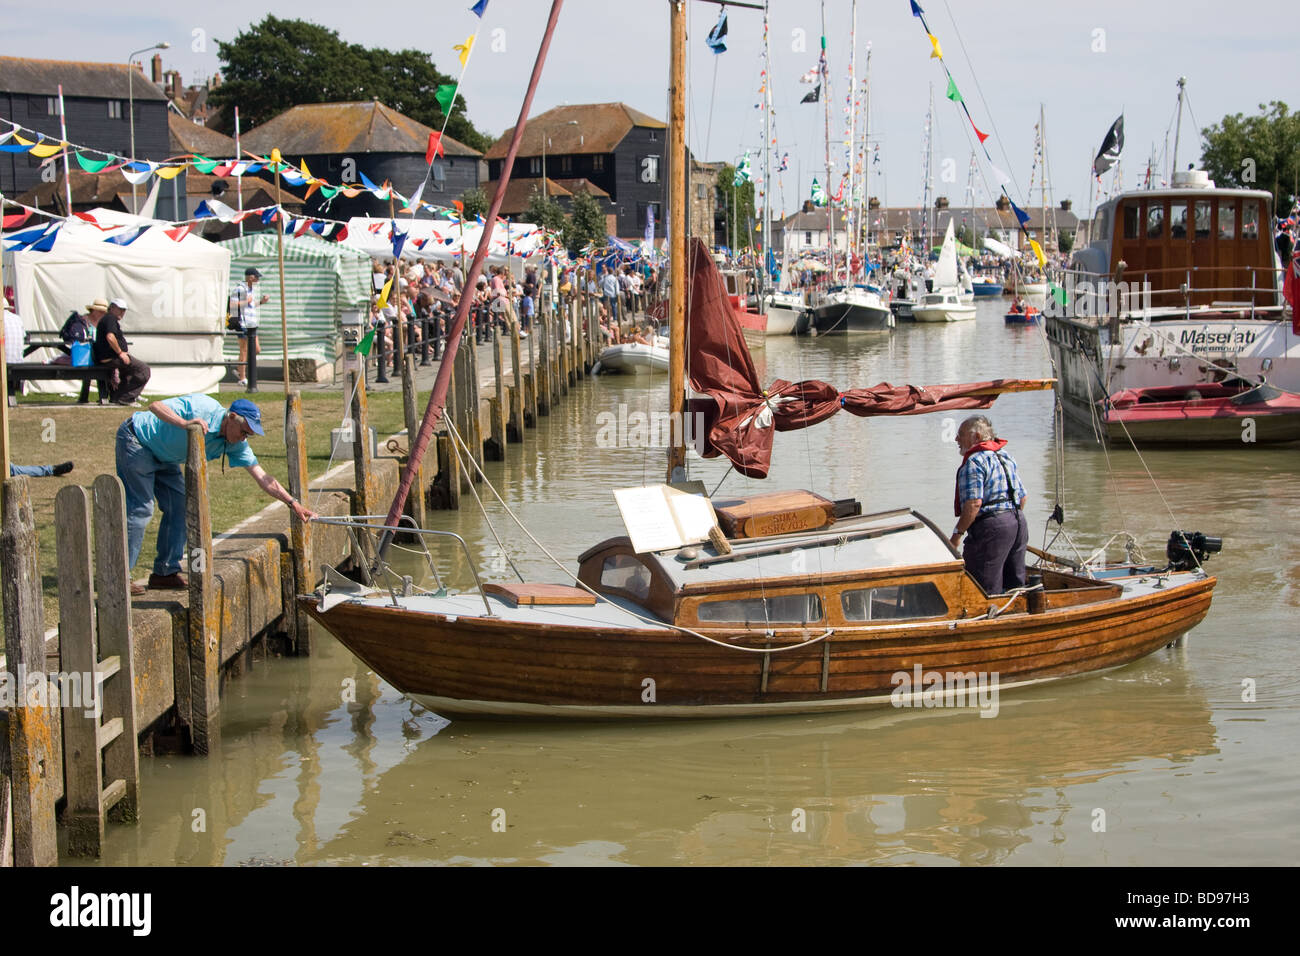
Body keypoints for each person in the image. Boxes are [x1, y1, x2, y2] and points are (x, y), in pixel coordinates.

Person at [116, 394, 317, 596]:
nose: (244, 438)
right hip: (137, 440)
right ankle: (119, 578)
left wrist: (293, 503)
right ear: (231, 417)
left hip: (166, 456)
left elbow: (263, 477)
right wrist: (185, 423)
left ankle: (165, 572)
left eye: (249, 435)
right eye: (243, 431)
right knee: (141, 509)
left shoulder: (235, 445)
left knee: (180, 508)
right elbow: (155, 405)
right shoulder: (202, 406)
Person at [950, 415, 1028, 595]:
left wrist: (956, 536)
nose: (956, 439)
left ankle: (987, 618)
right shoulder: (1005, 456)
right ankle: (1015, 616)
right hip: (1018, 522)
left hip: (992, 528)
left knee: (982, 586)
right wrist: (1009, 521)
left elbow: (974, 504)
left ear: (976, 437)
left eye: (960, 434)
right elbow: (1022, 497)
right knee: (1015, 583)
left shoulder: (974, 462)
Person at [94, 298, 151, 405]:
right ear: (112, 308)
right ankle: (127, 398)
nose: (122, 312)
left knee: (128, 374)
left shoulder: (108, 319)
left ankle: (118, 397)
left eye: (124, 310)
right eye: (120, 309)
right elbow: (110, 337)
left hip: (109, 357)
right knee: (143, 370)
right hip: (112, 358)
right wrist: (120, 353)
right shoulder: (110, 318)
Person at [231, 267, 269, 391]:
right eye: (256, 277)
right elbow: (233, 304)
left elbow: (250, 306)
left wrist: (261, 302)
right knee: (244, 350)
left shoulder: (250, 290)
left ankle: (239, 369)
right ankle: (242, 377)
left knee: (256, 349)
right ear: (250, 277)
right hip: (243, 323)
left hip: (252, 324)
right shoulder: (240, 289)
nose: (258, 279)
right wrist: (245, 302)